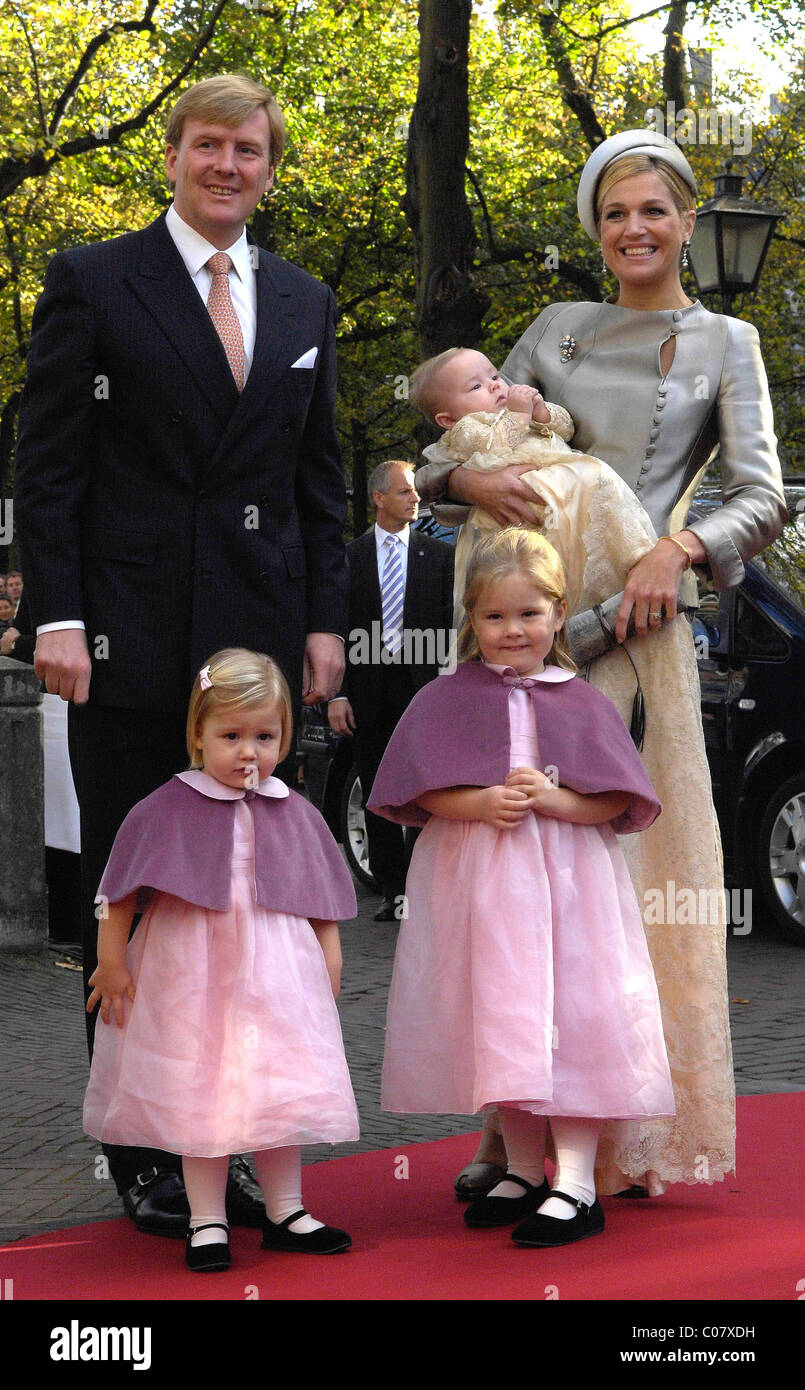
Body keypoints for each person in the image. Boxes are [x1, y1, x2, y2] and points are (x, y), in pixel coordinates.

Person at [414, 129, 787, 1200]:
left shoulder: (727, 340)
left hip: (631, 623)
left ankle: (612, 1135)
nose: (633, 229)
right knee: (506, 875)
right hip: (506, 615)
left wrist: (682, 547)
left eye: (653, 211)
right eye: (615, 212)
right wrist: (460, 488)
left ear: (683, 222)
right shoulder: (555, 330)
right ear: (596, 225)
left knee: (605, 880)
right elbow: (450, 443)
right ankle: (509, 1131)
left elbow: (761, 495)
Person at [13, 74, 350, 1234]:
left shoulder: (305, 299)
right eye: (208, 144)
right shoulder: (95, 280)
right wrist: (52, 615)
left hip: (255, 653)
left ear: (269, 165)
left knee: (248, 917)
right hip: (123, 641)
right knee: (140, 897)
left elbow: (320, 477)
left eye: (248, 149)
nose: (227, 165)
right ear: (173, 155)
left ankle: (238, 1135)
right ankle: (147, 1149)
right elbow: (47, 463)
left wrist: (322, 625)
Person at [369, 530, 673, 1248]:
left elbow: (616, 803)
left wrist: (556, 801)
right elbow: (420, 790)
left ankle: (573, 1180)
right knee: (497, 1013)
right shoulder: (446, 698)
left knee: (571, 1016)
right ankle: (522, 1167)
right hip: (477, 885)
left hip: (569, 888)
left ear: (559, 613)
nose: (513, 631)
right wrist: (476, 803)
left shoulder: (585, 703)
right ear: (472, 622)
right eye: (496, 618)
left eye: (529, 615)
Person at [83, 649, 359, 1272]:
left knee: (279, 1088)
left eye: (265, 737)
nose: (248, 753)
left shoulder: (296, 811)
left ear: (285, 737)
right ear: (198, 735)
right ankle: (208, 1221)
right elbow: (117, 894)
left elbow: (322, 902)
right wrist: (112, 963)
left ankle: (287, 1209)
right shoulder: (165, 808)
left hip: (277, 975)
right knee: (200, 1090)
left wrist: (329, 965)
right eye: (230, 736)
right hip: (191, 975)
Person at [328, 460, 454, 920]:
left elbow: (450, 625)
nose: (415, 498)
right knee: (378, 787)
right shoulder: (348, 558)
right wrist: (337, 693)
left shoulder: (440, 557)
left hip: (424, 690)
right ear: (378, 497)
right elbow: (336, 628)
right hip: (367, 691)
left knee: (427, 788)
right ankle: (392, 889)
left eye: (416, 491)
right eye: (404, 491)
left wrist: (450, 688)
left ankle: (423, 884)